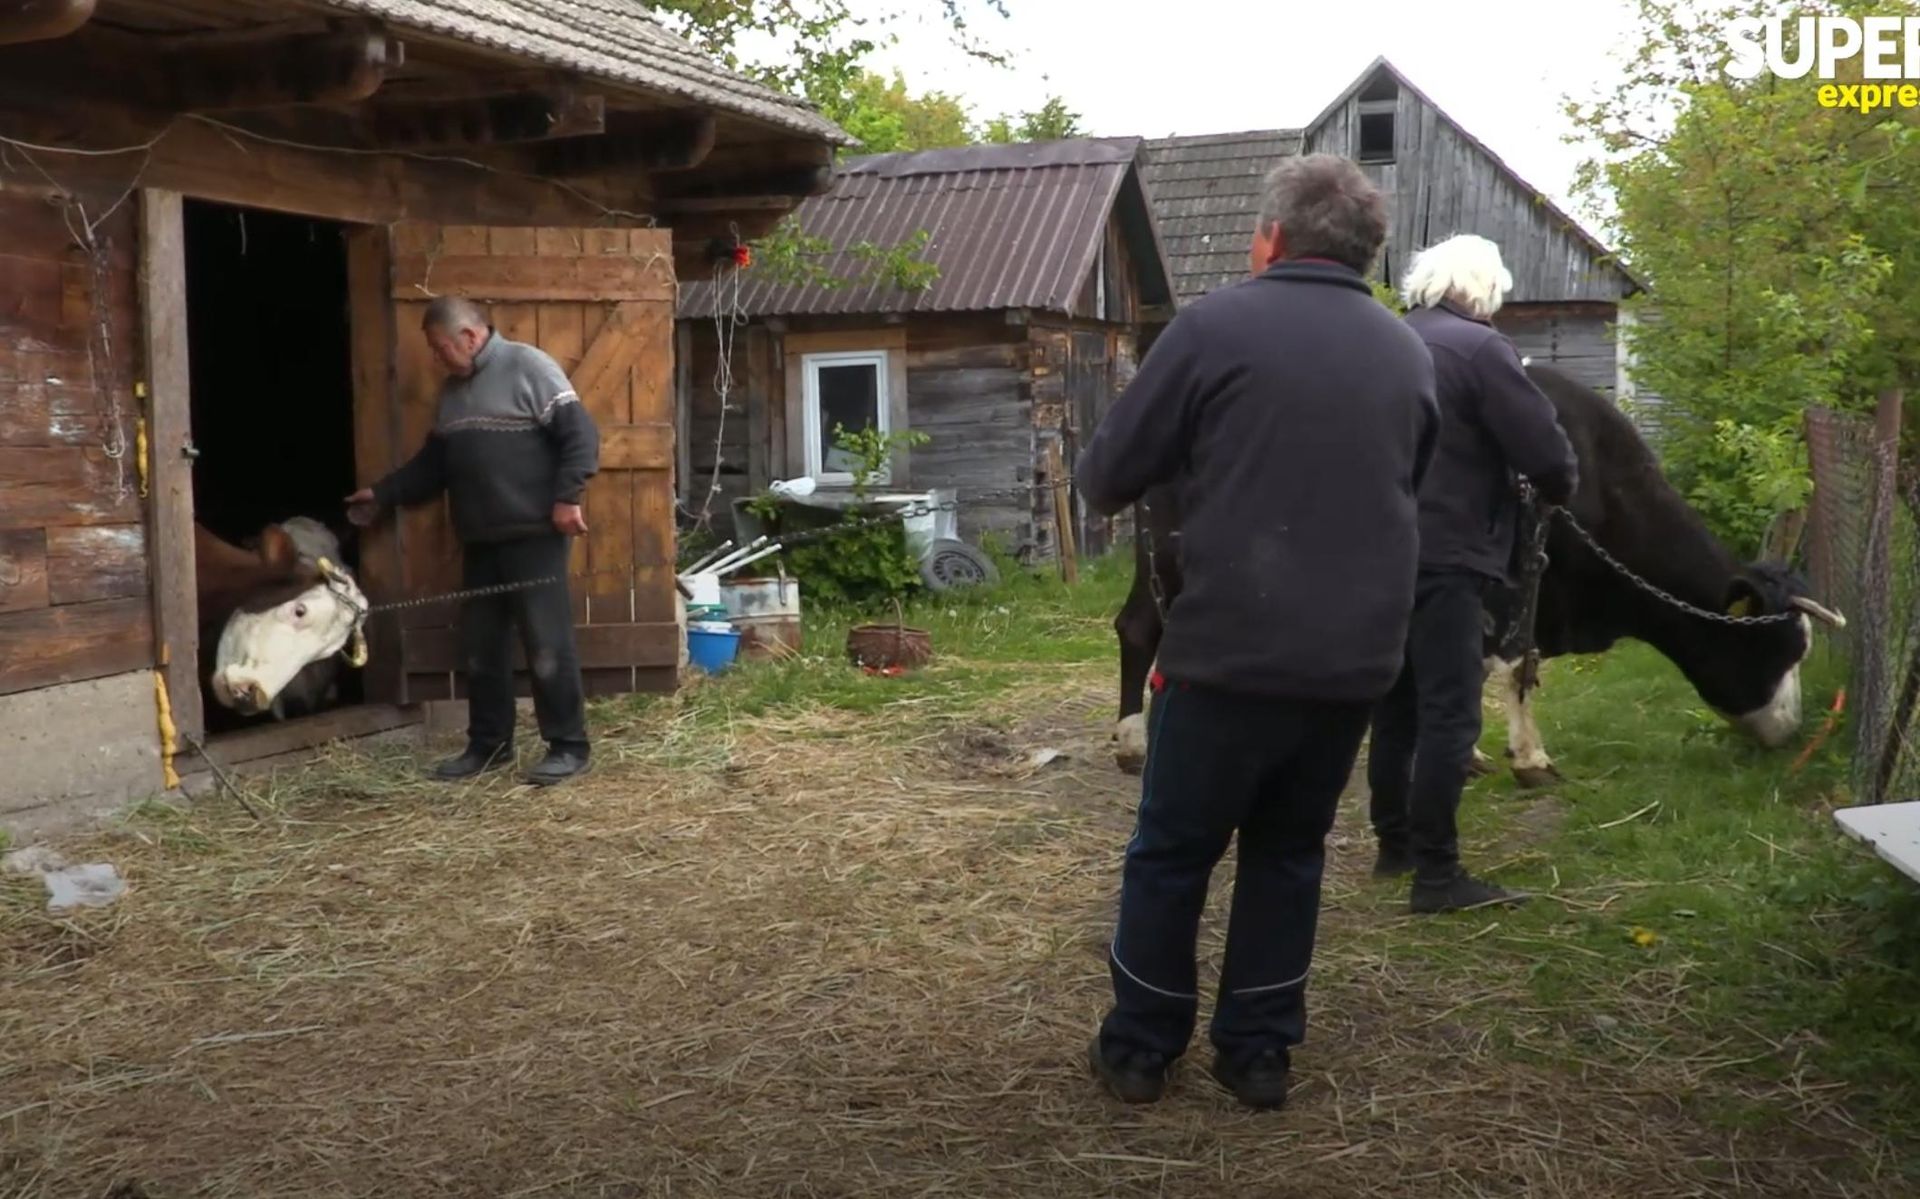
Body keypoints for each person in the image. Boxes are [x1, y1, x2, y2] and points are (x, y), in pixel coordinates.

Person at [1074, 154, 1440, 1110]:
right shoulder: (1408, 351)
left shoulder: (1212, 328)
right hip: (1355, 660)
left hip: (1229, 652)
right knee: (1290, 849)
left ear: (1270, 238)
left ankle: (1142, 1049)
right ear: (1368, 250)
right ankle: (1259, 1052)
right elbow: (1414, 485)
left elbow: (1107, 477)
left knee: (1172, 850)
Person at [1364, 233, 1579, 913]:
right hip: (1449, 555)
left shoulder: (1386, 340)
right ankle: (1437, 875)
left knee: (1394, 706)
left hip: (1378, 552)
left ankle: (1393, 846)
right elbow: (1547, 453)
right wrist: (1555, 483)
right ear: (1485, 288)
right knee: (1450, 715)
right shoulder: (1481, 349)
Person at [345, 295, 599, 787]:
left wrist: (568, 497)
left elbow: (580, 435)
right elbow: (434, 465)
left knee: (547, 644)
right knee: (481, 648)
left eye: (440, 350)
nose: (437, 360)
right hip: (480, 541)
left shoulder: (528, 366)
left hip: (533, 537)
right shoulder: (453, 394)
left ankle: (568, 747)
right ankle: (489, 745)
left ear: (469, 336)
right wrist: (382, 494)